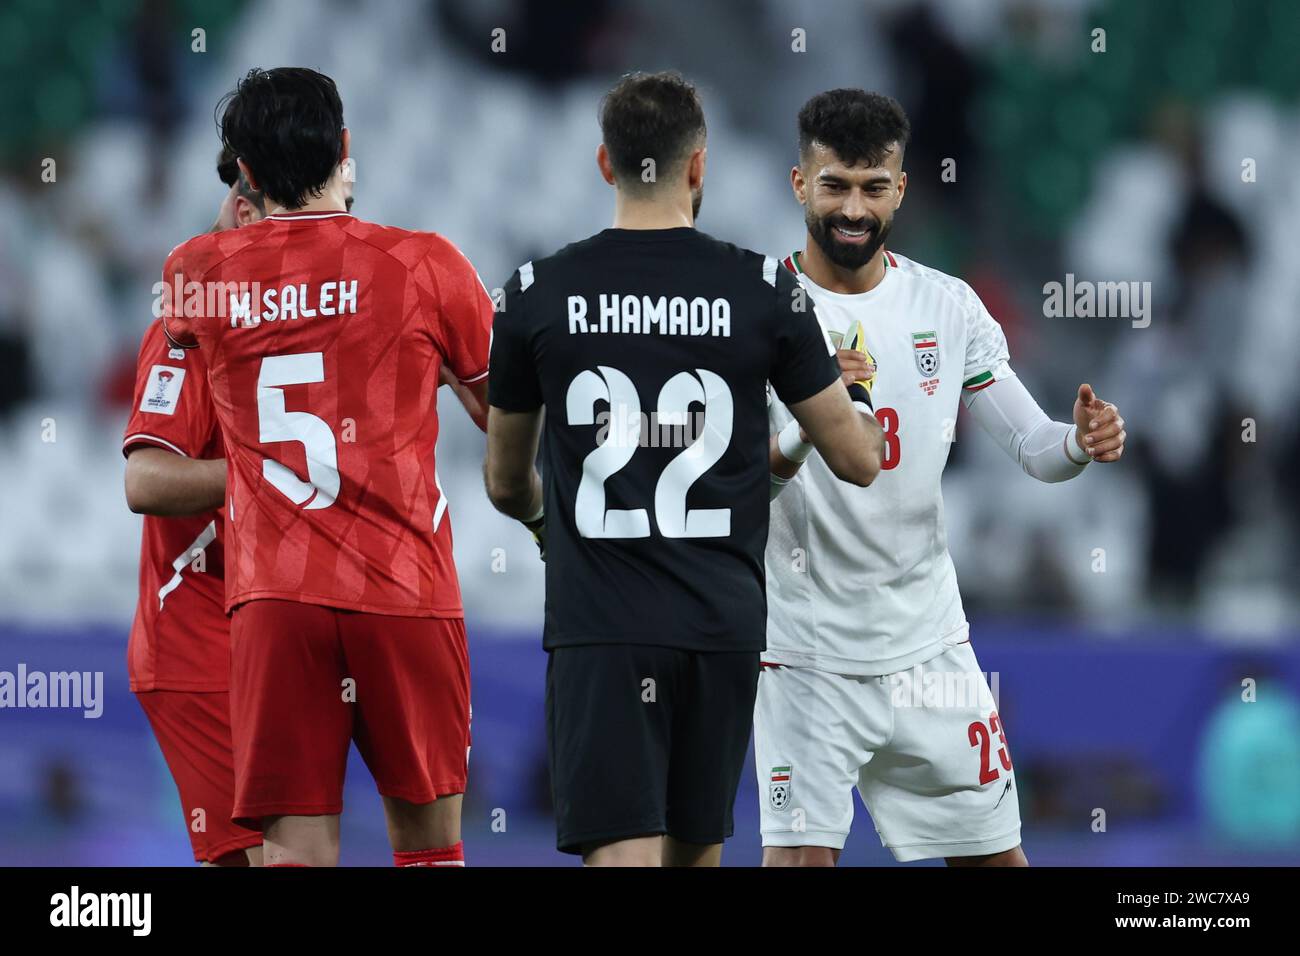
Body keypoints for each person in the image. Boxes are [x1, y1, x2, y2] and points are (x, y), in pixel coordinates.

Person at [483, 71, 882, 867]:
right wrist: (857, 386)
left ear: (605, 164)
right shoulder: (767, 290)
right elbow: (858, 460)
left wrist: (541, 524)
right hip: (720, 628)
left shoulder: (534, 293)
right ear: (699, 167)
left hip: (603, 629)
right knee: (697, 855)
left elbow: (503, 481)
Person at [757, 89, 1127, 867]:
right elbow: (734, 490)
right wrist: (808, 426)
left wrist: (1081, 443)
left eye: (873, 187)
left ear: (901, 188)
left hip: (930, 650)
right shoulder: (758, 309)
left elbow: (1034, 446)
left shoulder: (948, 306)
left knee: (997, 862)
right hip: (806, 655)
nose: (853, 208)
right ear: (800, 184)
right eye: (835, 187)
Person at [160, 67, 493, 867]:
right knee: (429, 849)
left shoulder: (195, 273)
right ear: (346, 149)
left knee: (297, 853)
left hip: (276, 600)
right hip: (405, 590)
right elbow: (502, 411)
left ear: (243, 174)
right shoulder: (424, 264)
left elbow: (189, 335)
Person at [121, 146, 266, 867]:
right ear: (247, 211)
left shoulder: (287, 325)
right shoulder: (187, 326)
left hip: (269, 638)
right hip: (198, 642)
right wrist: (269, 474)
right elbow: (145, 480)